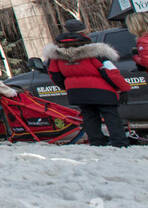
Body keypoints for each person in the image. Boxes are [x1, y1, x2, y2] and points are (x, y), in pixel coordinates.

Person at [44, 19, 132, 147]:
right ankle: (119, 142)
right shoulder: (95, 51)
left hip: (76, 91)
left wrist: (68, 86)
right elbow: (110, 72)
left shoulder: (56, 55)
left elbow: (54, 74)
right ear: (83, 31)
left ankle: (96, 141)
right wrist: (123, 88)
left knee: (89, 116)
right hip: (101, 90)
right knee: (110, 115)